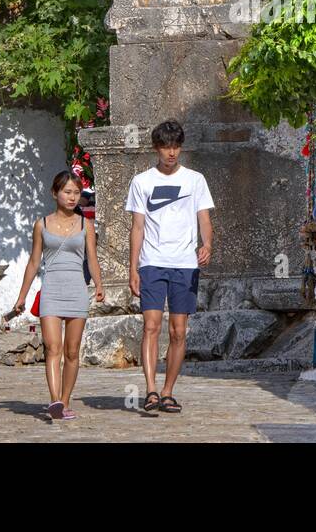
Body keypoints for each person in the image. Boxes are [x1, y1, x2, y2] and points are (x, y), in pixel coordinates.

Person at [126, 119, 213, 414]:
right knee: (151, 326)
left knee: (178, 331)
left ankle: (168, 391)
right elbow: (137, 227)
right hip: (152, 262)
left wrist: (207, 244)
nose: (171, 152)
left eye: (176, 146)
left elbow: (204, 218)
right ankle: (150, 390)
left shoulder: (195, 180)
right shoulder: (141, 182)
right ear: (156, 148)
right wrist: (132, 268)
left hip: (185, 265)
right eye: (166, 147)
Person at [11, 172, 104, 420]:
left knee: (72, 351)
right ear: (55, 193)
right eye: (67, 192)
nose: (72, 197)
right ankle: (55, 402)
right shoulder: (42, 224)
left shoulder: (86, 225)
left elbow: (92, 258)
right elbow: (33, 262)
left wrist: (99, 284)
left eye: (76, 192)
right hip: (51, 289)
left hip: (76, 289)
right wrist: (22, 296)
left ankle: (65, 399)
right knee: (53, 348)